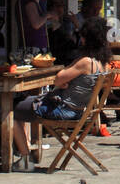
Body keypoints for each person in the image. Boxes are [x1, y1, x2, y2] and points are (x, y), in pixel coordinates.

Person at [10, 17, 111, 170]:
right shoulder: (102, 63)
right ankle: (29, 149)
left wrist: (65, 80)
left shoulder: (85, 62)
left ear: (86, 40)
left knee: (11, 110)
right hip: (78, 111)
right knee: (28, 102)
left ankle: (25, 159)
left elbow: (58, 79)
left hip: (63, 110)